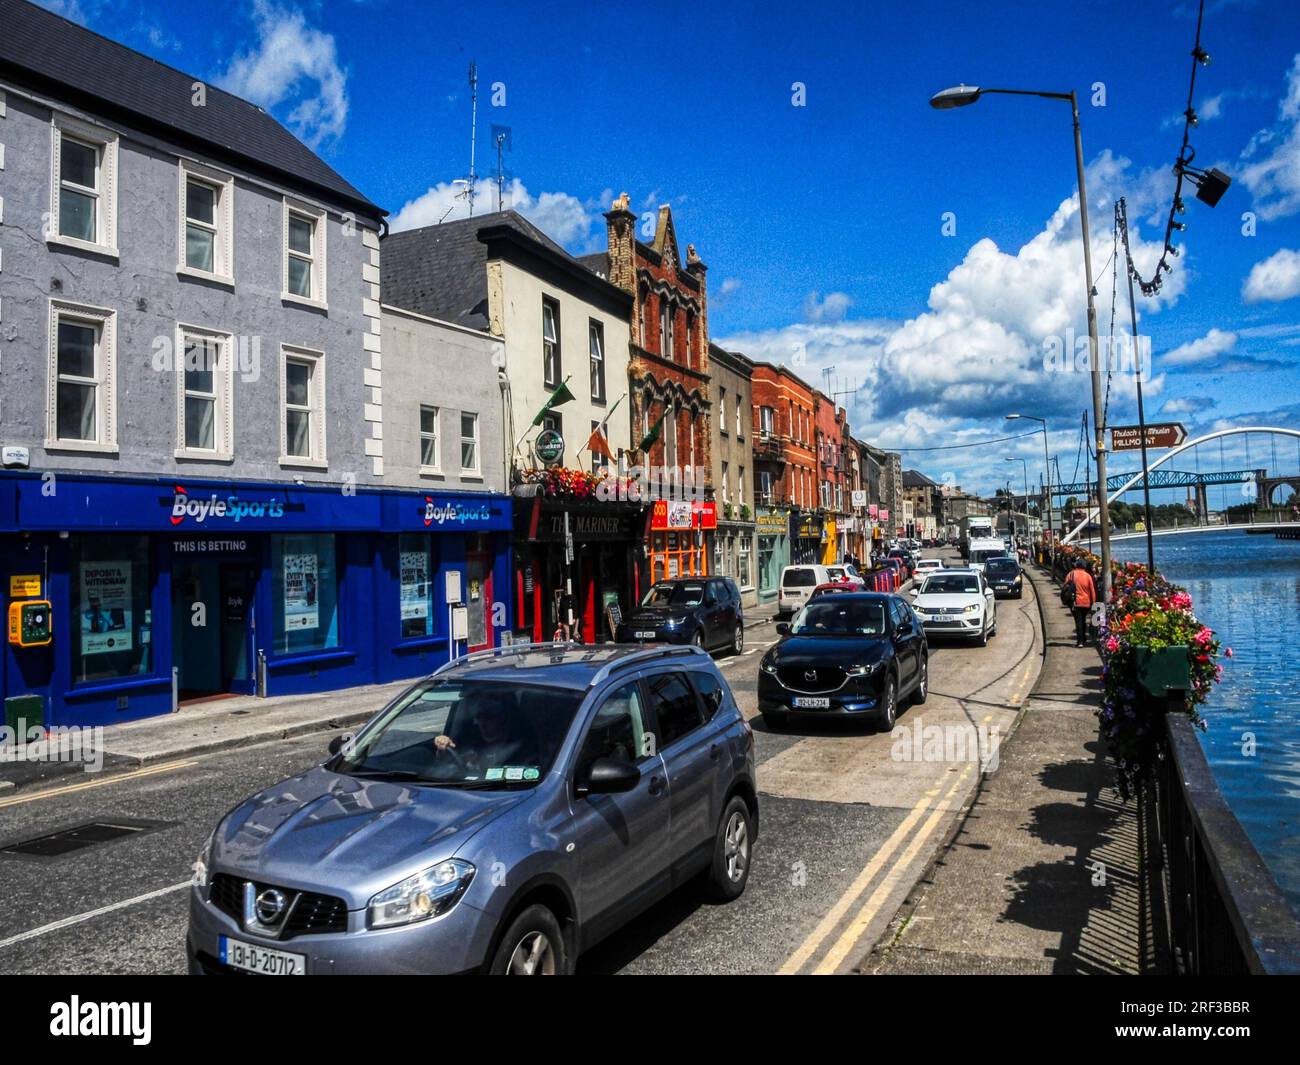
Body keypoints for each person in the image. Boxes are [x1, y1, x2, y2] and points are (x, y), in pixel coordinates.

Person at [1063, 560, 1097, 647]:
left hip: (1075, 602)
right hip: (1086, 602)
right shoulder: (1088, 576)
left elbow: (1065, 586)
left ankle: (1080, 641)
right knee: (1083, 620)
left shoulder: (1071, 574)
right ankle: (1083, 639)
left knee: (1078, 621)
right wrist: (1093, 602)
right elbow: (1092, 591)